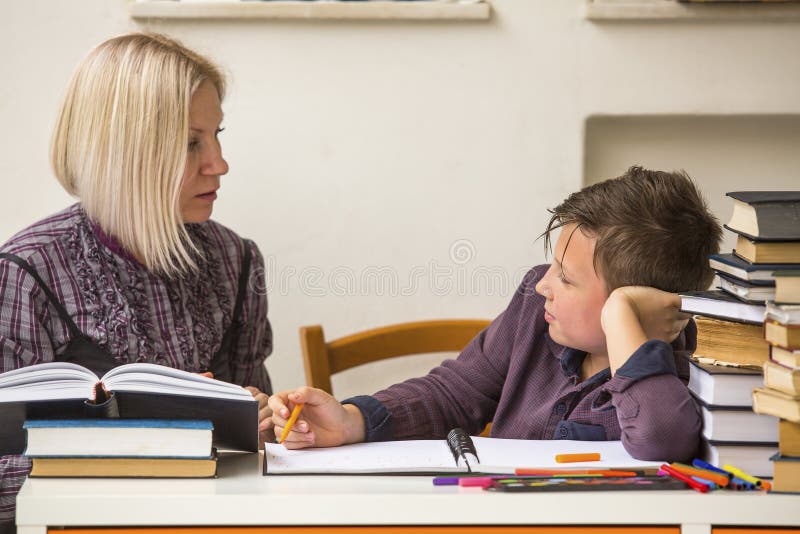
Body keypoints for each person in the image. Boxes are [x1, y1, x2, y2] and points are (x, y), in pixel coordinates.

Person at [0, 33, 273, 529]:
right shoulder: (26, 272)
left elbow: (258, 454)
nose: (220, 164)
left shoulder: (238, 261)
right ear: (123, 152)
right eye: (192, 143)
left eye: (217, 135)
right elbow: (6, 482)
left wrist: (263, 420)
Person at [269, 166, 722, 462]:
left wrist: (623, 317)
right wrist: (354, 419)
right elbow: (454, 393)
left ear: (642, 301)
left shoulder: (692, 373)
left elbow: (661, 439)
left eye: (565, 278)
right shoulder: (536, 310)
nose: (543, 284)